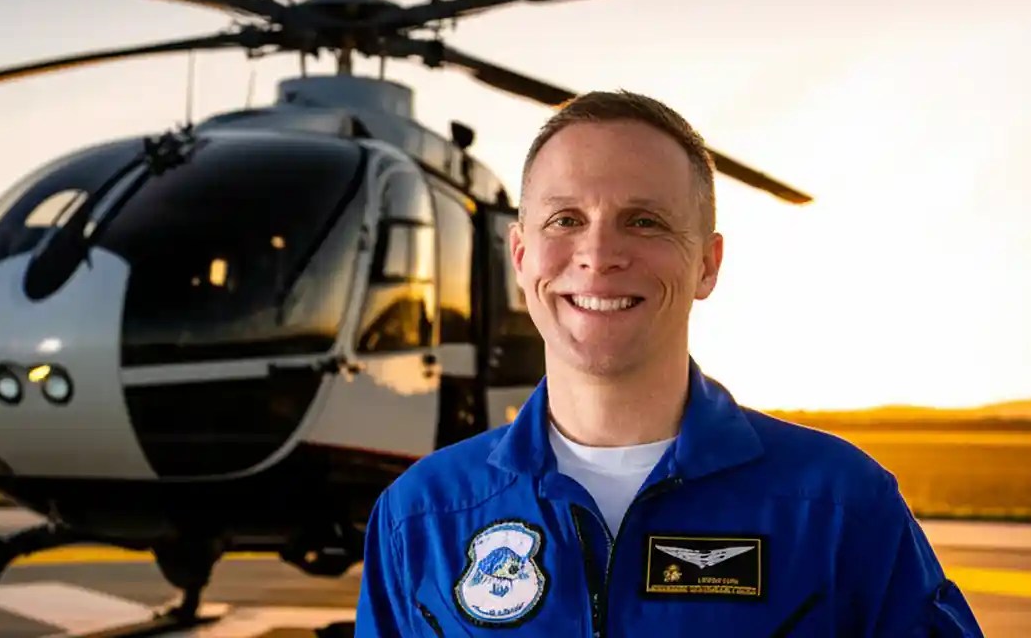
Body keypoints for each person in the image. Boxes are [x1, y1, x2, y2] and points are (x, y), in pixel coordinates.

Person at [352, 90, 982, 636]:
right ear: (519, 255)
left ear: (707, 264)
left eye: (644, 221)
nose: (599, 253)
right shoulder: (420, 516)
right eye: (565, 219)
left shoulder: (840, 507)